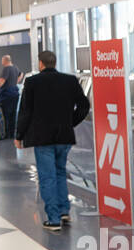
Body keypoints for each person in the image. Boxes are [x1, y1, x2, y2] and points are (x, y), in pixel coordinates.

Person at [14, 50, 90, 232]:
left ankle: (54, 219)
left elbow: (25, 112)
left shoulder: (32, 82)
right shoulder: (70, 80)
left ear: (41, 64)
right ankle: (64, 211)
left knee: (47, 177)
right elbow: (84, 105)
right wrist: (70, 122)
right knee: (60, 173)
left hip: (43, 138)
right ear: (54, 63)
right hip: (64, 136)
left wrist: (19, 136)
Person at [0, 55, 23, 139]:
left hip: (6, 94)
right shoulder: (15, 68)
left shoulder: (6, 69)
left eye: (2, 60)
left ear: (5, 61)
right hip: (15, 93)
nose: (1, 62)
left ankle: (6, 133)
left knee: (5, 114)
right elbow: (21, 74)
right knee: (13, 114)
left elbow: (1, 81)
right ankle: (12, 133)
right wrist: (15, 82)